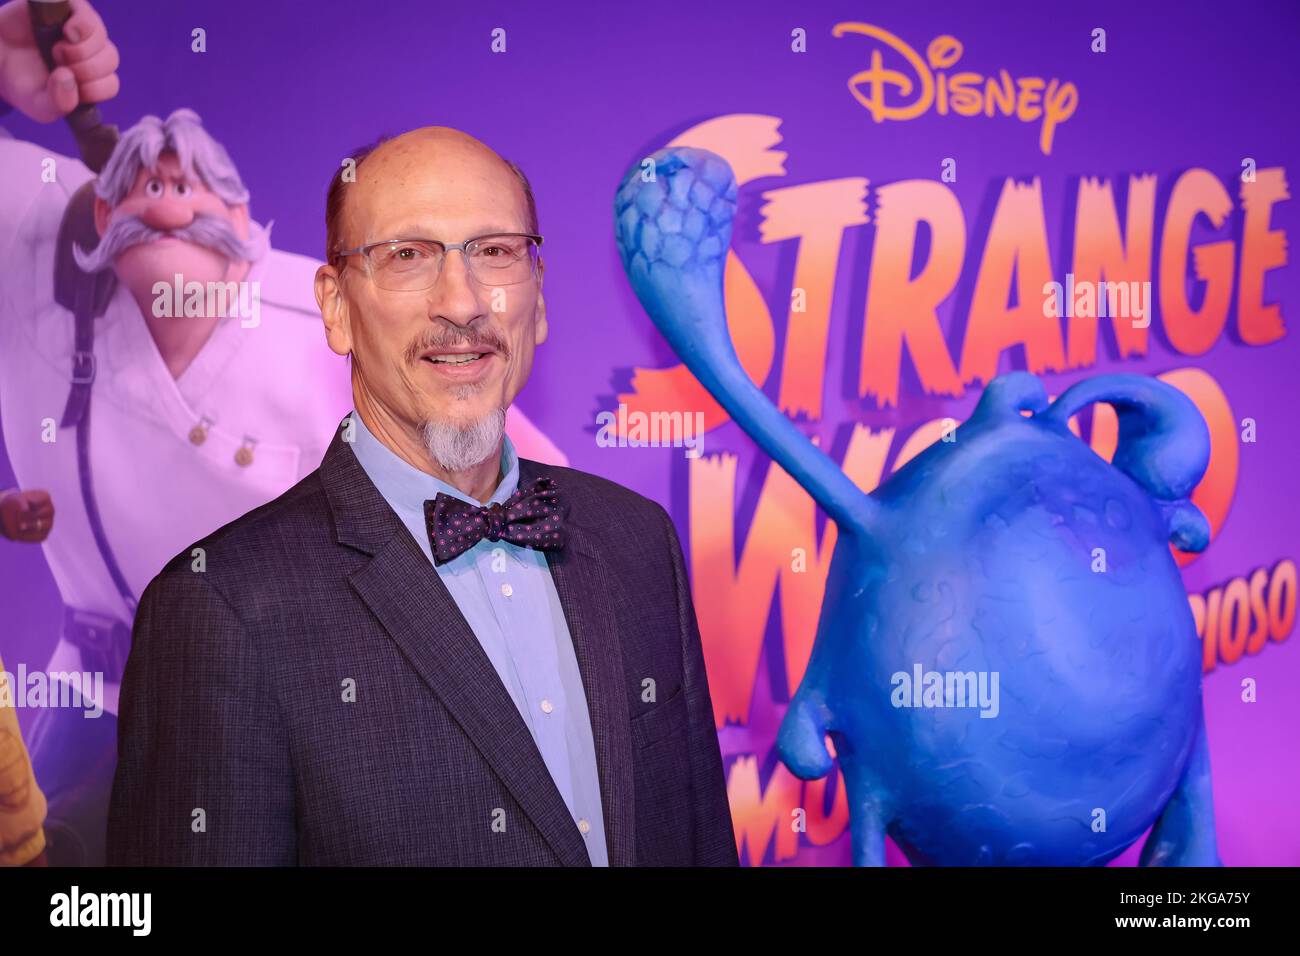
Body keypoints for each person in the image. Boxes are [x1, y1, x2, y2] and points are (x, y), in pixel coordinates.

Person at [108, 125, 738, 866]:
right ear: (336, 308)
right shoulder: (220, 607)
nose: (462, 302)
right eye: (408, 257)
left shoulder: (639, 542)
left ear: (537, 298)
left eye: (495, 251)